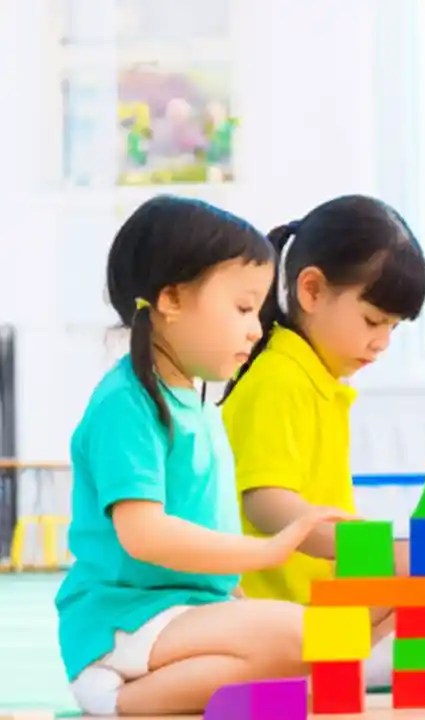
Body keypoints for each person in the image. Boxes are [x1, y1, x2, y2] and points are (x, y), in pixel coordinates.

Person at [56, 196, 346, 716]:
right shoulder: (127, 402)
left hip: (178, 616)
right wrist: (269, 550)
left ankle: (157, 695)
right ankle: (116, 698)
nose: (257, 329)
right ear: (170, 298)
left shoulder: (197, 404)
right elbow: (144, 535)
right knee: (306, 633)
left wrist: (235, 599)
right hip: (122, 620)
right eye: (241, 309)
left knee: (315, 650)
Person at [220, 195, 425, 688]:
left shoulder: (315, 378)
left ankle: (337, 664)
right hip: (273, 610)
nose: (382, 342)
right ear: (311, 290)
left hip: (309, 600)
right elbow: (267, 503)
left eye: (393, 328)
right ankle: (320, 669)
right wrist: (367, 548)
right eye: (374, 321)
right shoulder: (279, 378)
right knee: (423, 595)